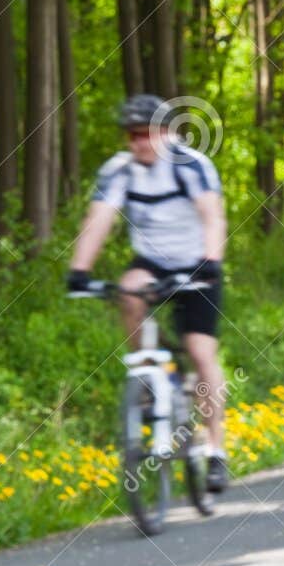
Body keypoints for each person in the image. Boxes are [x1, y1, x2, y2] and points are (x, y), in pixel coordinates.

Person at [67, 94, 231, 493]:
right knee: (128, 291)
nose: (139, 142)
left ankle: (215, 450)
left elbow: (213, 216)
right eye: (132, 135)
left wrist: (210, 261)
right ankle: (146, 373)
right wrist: (79, 270)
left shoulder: (190, 164)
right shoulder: (118, 171)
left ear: (167, 132)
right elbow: (99, 220)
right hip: (153, 262)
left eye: (147, 133)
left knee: (199, 352)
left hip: (197, 264)